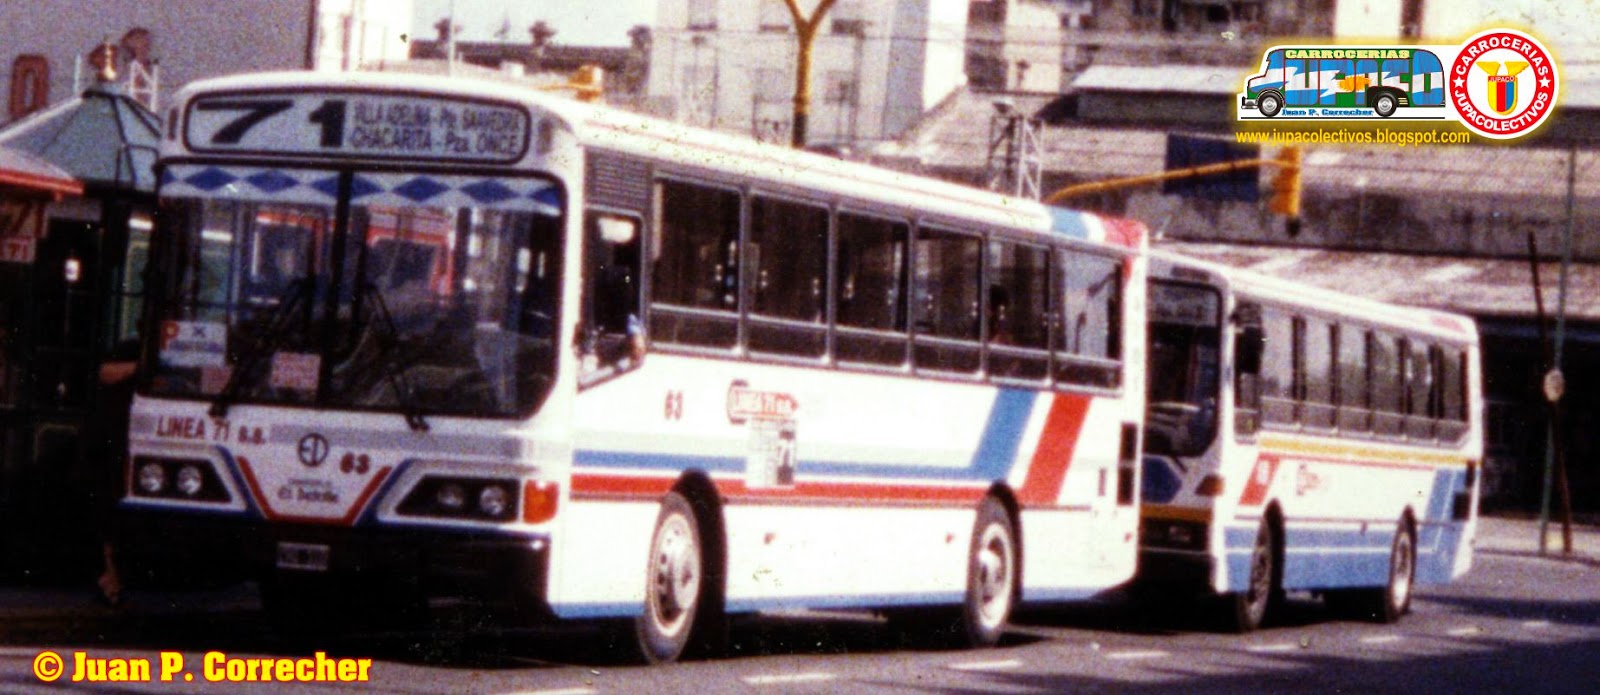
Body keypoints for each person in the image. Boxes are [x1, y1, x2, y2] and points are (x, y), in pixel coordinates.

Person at [90, 340, 139, 606]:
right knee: (107, 509)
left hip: (129, 442)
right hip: (111, 441)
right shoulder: (129, 349)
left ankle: (112, 578)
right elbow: (106, 373)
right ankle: (110, 576)